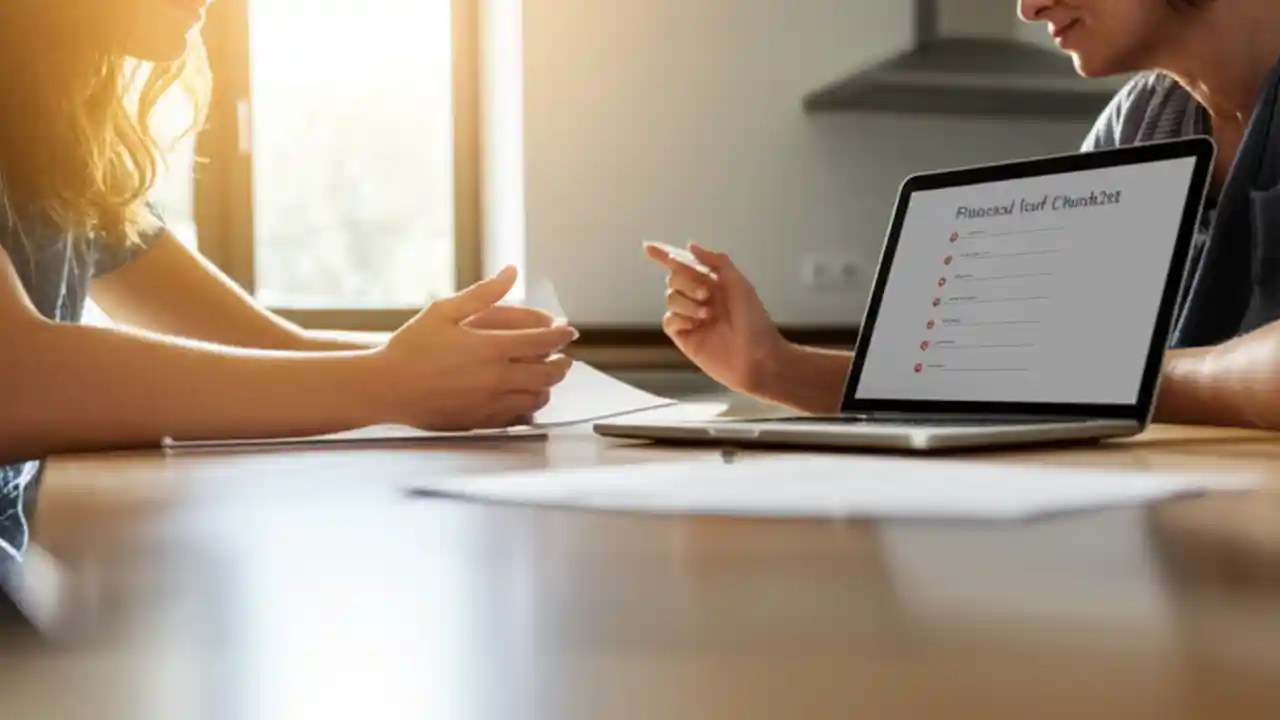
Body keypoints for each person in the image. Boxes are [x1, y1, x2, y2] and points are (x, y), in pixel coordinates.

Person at [0, 0, 578, 507]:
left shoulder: (64, 145)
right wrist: (392, 380)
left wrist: (457, 364)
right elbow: (17, 379)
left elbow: (262, 346)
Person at [648, 0, 1280, 430]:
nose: (1028, 7)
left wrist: (1106, 382)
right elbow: (1023, 378)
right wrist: (771, 366)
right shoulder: (1145, 123)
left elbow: (1063, 379)